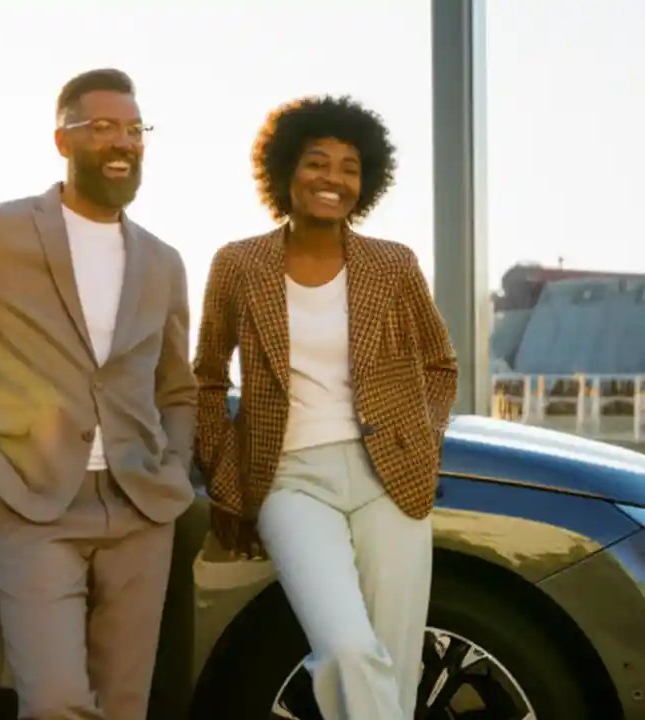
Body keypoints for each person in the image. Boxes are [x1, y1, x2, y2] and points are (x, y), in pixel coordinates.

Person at [0, 68, 196, 719]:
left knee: (124, 707)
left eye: (134, 130)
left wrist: (173, 466)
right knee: (53, 703)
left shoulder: (164, 261)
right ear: (62, 139)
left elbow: (178, 388)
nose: (122, 143)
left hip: (140, 507)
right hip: (31, 500)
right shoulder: (2, 231)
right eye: (102, 127)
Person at [194, 95, 458, 720]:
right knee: (345, 648)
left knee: (395, 660)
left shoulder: (392, 265)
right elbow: (205, 380)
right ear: (284, 169)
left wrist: (422, 439)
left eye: (349, 167)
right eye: (317, 162)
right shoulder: (238, 264)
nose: (332, 179)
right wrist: (226, 478)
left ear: (365, 183)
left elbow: (439, 365)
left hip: (388, 481)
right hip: (290, 481)